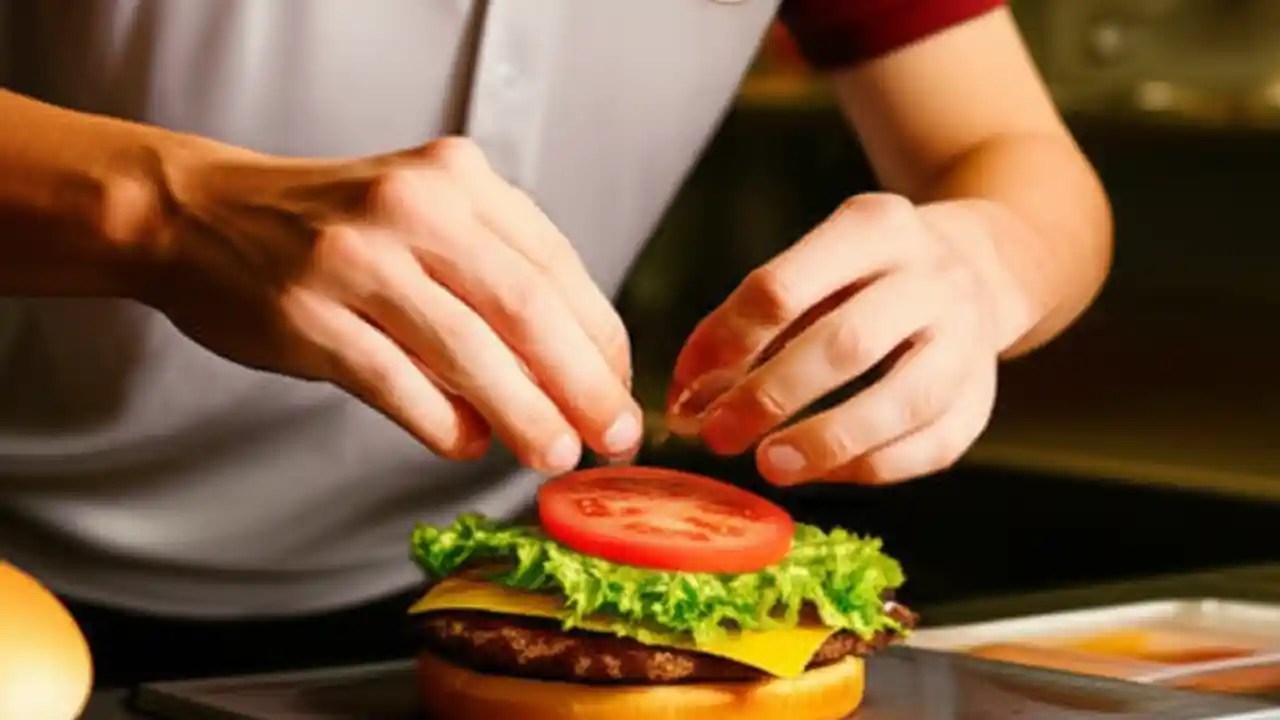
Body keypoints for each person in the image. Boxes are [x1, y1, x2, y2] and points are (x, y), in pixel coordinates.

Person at [0, 0, 1111, 688]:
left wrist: (990, 255)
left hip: (484, 591)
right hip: (28, 592)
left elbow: (1002, 142)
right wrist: (167, 208)